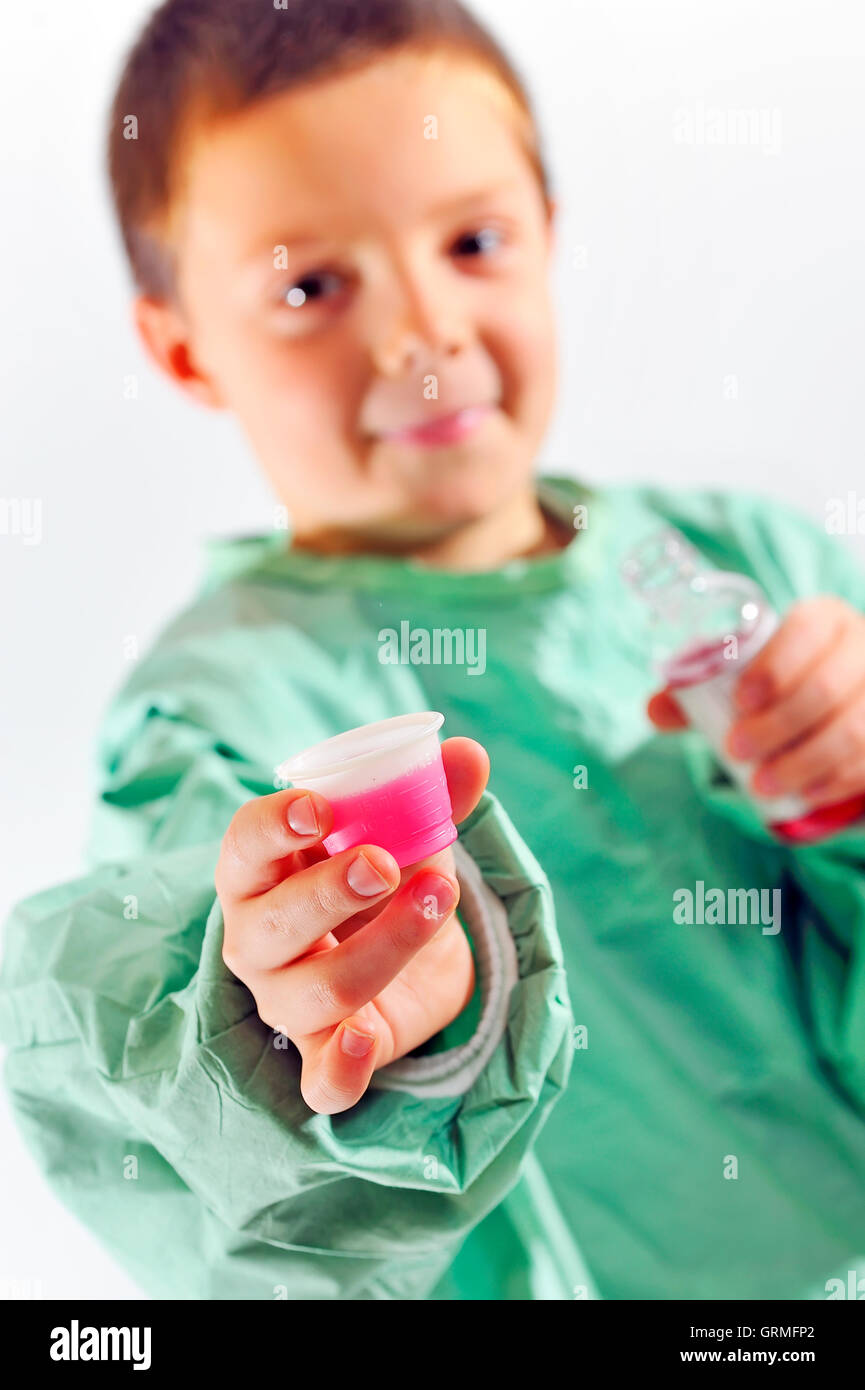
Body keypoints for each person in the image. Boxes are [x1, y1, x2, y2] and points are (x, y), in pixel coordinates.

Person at [2, 0, 865, 1301]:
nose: (421, 335)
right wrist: (313, 1009)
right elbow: (189, 1113)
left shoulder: (763, 573)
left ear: (547, 235)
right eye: (309, 285)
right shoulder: (220, 718)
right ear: (185, 350)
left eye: (471, 240)